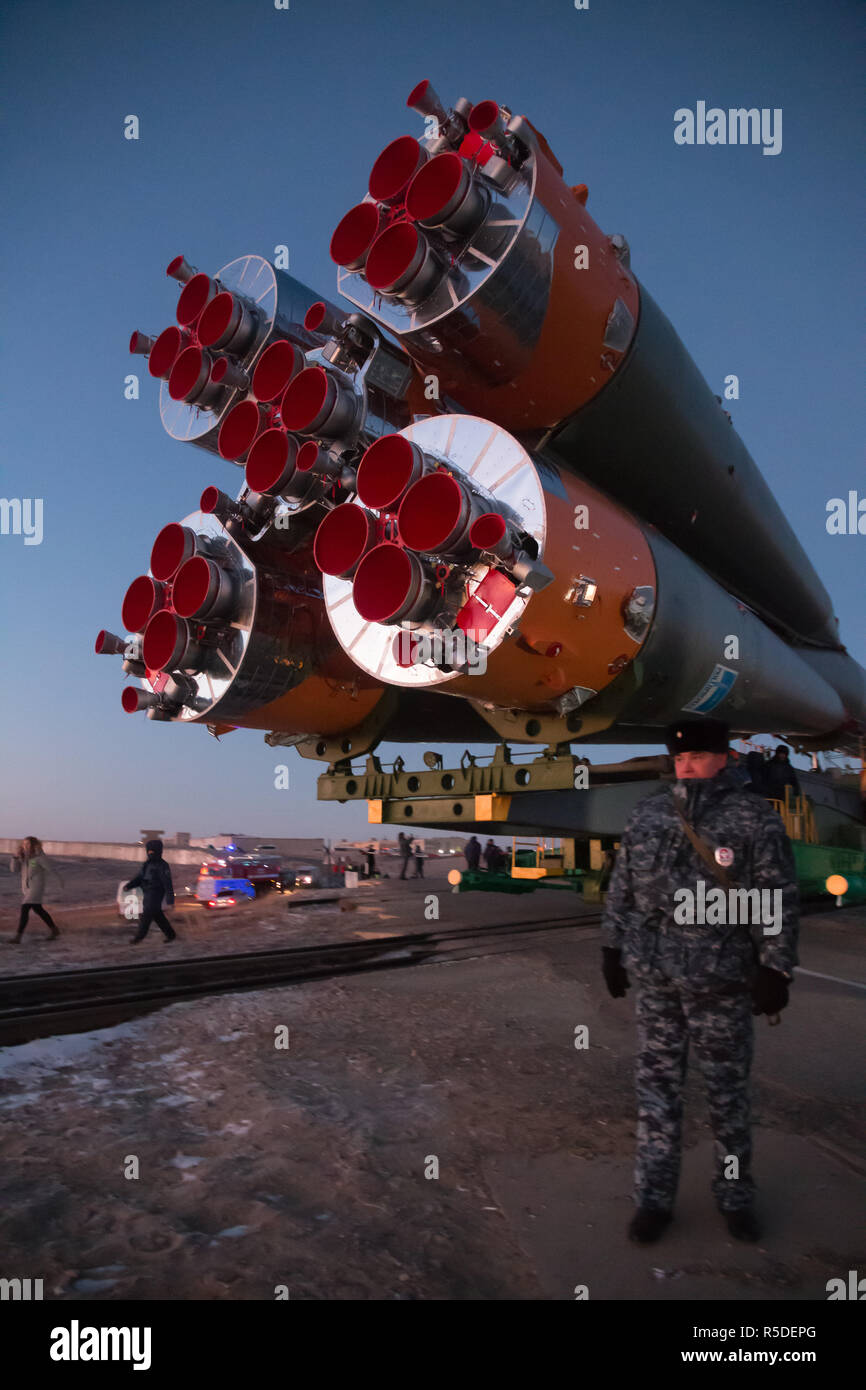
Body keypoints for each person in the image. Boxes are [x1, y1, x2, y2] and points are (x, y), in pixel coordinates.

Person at [601, 718, 797, 1246]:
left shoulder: (753, 817)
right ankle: (653, 1200)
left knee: (727, 1097)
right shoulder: (648, 811)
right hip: (656, 975)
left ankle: (734, 1198)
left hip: (721, 978)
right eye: (680, 757)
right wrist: (611, 946)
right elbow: (623, 884)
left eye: (699, 756)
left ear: (724, 757)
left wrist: (775, 967)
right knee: (656, 1093)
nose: (686, 765)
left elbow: (775, 894)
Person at [123, 839, 176, 943]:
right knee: (158, 916)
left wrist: (170, 900)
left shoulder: (163, 865)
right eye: (149, 851)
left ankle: (138, 938)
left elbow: (167, 883)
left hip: (156, 894)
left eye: (152, 851)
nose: (150, 853)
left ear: (159, 851)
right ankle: (171, 935)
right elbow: (139, 878)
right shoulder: (146, 865)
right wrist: (129, 886)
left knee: (146, 916)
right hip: (147, 894)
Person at [10, 837, 62, 941]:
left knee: (25, 907)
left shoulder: (40, 857)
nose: (25, 846)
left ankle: (18, 937)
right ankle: (55, 930)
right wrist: (16, 857)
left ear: (34, 845)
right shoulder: (24, 858)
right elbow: (14, 870)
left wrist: (60, 881)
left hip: (36, 888)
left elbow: (51, 869)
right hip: (27, 889)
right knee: (38, 909)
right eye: (24, 844)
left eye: (28, 844)